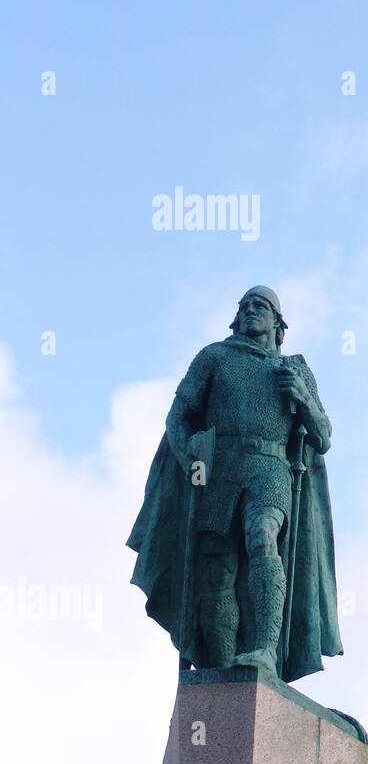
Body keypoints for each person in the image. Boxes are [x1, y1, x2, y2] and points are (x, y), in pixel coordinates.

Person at [127, 286, 343, 681]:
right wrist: (188, 457)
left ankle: (265, 649)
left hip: (270, 467)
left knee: (263, 537)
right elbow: (178, 417)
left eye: (259, 306)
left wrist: (303, 400)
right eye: (243, 306)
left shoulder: (295, 369)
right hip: (219, 471)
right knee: (217, 570)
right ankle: (224, 665)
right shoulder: (214, 357)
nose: (249, 311)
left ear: (278, 324)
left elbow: (323, 436)